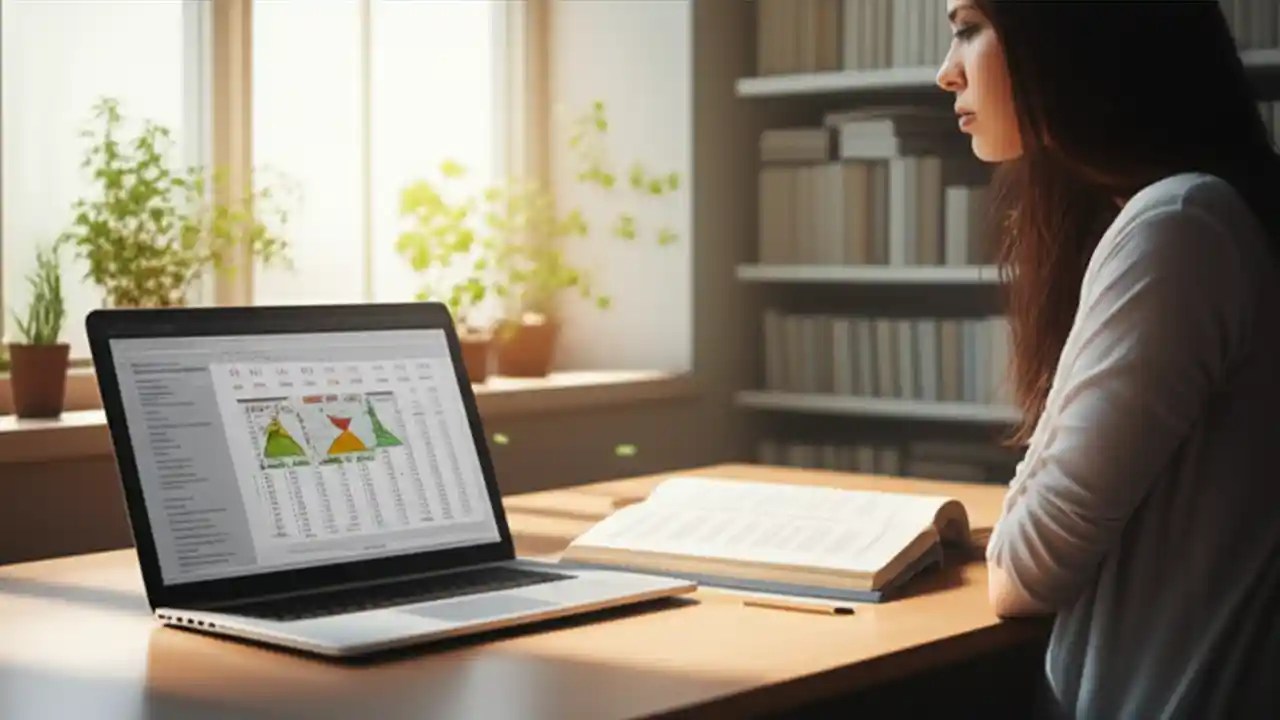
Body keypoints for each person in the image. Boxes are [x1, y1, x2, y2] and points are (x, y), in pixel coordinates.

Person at [935, 1, 1280, 717]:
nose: (947, 73)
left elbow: (1024, 571)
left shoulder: (1180, 228)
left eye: (968, 27)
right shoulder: (1199, 213)